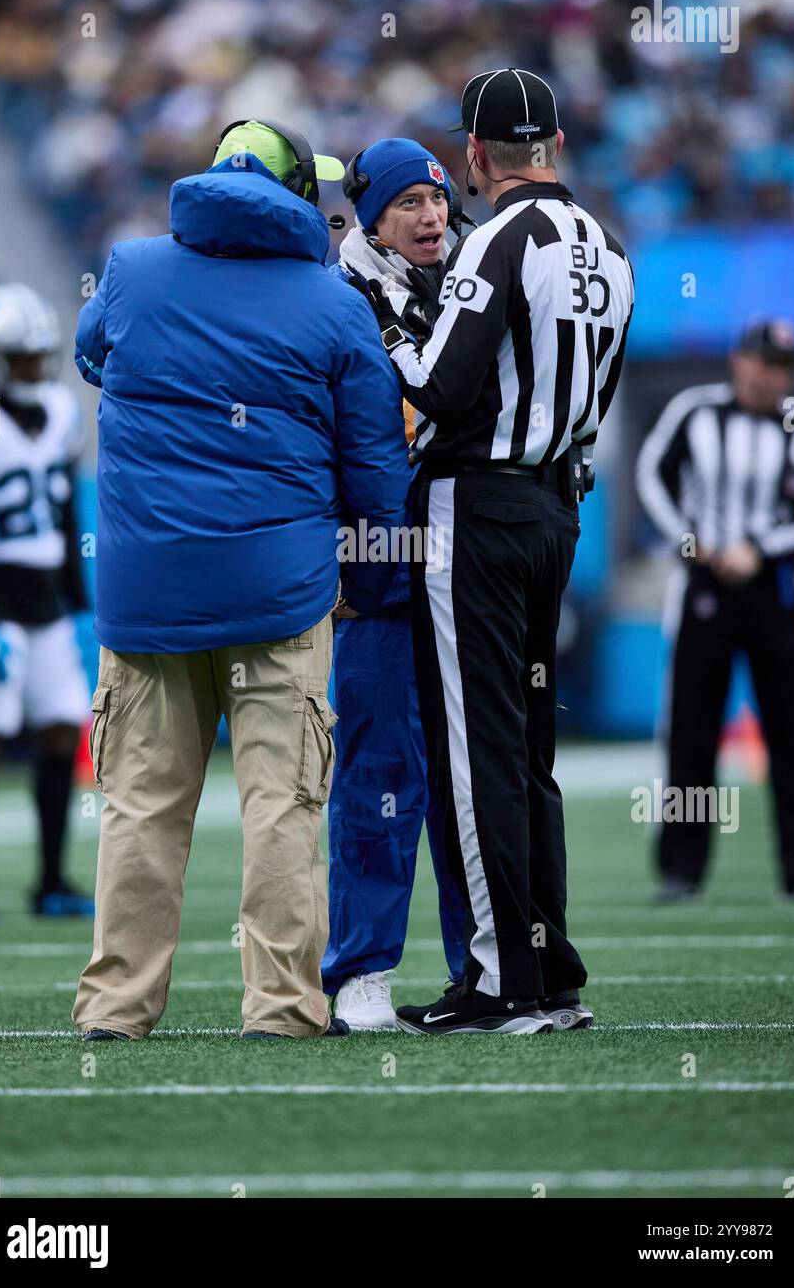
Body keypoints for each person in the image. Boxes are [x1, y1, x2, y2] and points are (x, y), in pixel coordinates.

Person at [70, 120, 410, 1041]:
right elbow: (376, 464)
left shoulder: (132, 267)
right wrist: (375, 578)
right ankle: (283, 1007)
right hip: (281, 593)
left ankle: (116, 1008)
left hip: (146, 590)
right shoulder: (334, 302)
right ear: (298, 193)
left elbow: (90, 355)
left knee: (140, 807)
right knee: (283, 808)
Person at [360, 68, 634, 1035]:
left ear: (476, 156)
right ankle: (547, 965)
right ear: (554, 142)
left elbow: (437, 386)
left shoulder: (501, 237)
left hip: (473, 511)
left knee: (477, 753)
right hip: (554, 510)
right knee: (528, 749)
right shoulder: (609, 245)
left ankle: (500, 977)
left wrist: (381, 319)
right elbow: (590, 407)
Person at [322, 139, 469, 1029]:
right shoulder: (338, 301)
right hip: (377, 566)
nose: (431, 217)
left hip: (467, 562)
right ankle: (364, 970)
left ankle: (482, 968)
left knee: (474, 773)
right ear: (370, 215)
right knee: (379, 771)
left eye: (439, 200)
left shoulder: (471, 286)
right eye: (409, 203)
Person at [636, 319, 794, 902]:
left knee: (793, 733)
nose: (770, 376)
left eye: (782, 368)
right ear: (739, 361)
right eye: (762, 362)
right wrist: (696, 547)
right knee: (691, 729)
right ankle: (681, 869)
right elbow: (652, 477)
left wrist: (762, 550)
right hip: (706, 587)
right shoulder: (696, 410)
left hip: (775, 589)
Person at [0, 283, 92, 923]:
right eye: (20, 358)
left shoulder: (60, 410)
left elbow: (64, 513)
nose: (34, 369)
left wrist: (76, 596)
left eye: (39, 357)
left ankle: (49, 881)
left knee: (62, 731)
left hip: (44, 602)